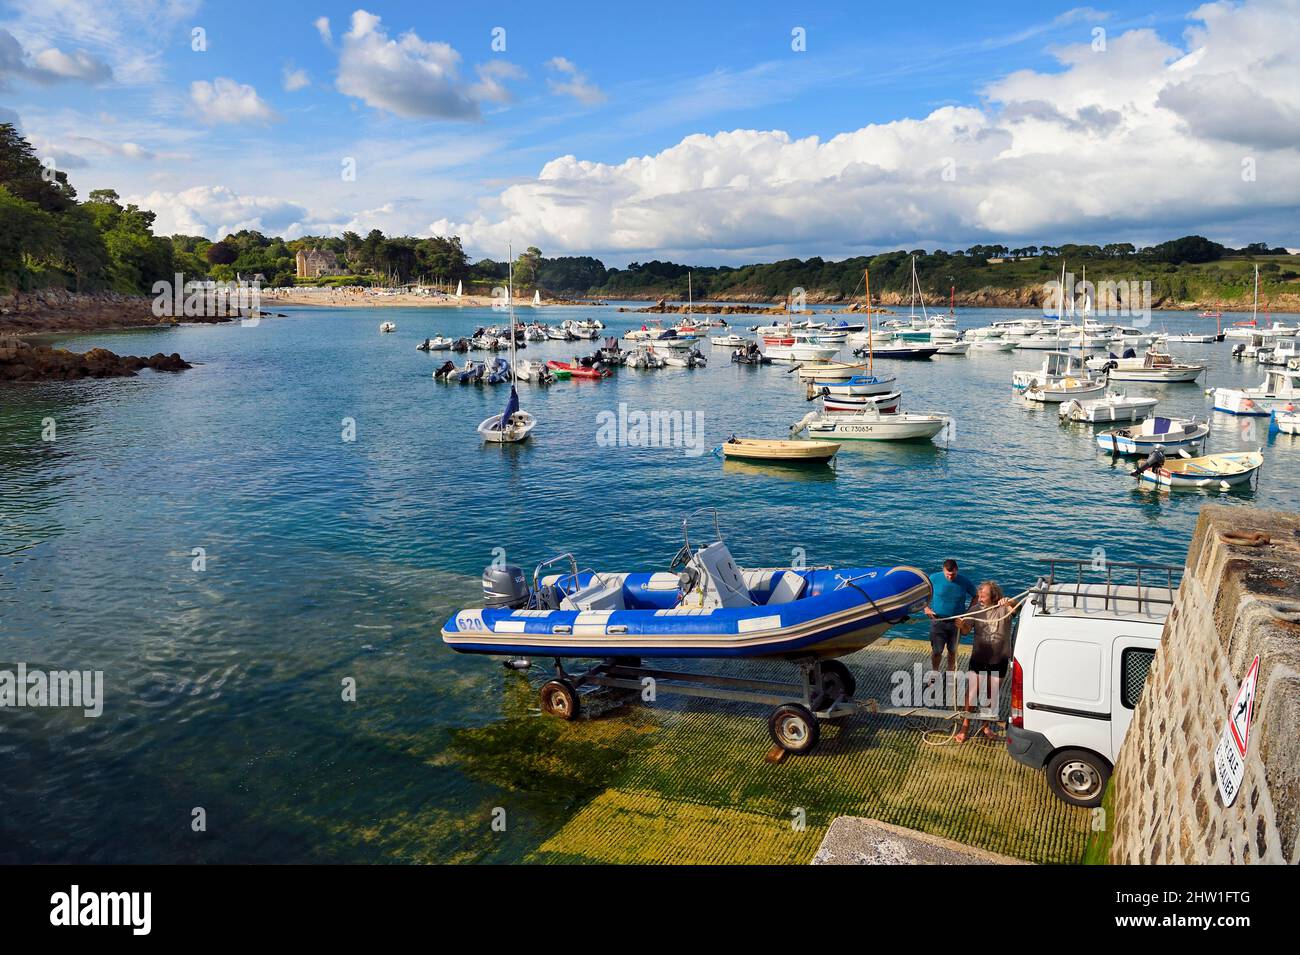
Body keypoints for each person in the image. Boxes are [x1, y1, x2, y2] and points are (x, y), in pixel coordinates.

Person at [955, 581, 1019, 742]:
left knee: (992, 695)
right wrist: (962, 625)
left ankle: (986, 726)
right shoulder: (975, 609)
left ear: (994, 596)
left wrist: (1010, 601)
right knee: (972, 693)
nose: (980, 598)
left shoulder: (1004, 608)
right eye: (980, 594)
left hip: (1000, 659)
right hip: (979, 657)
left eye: (984, 595)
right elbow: (965, 631)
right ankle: (965, 725)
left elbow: (1017, 609)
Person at [924, 559, 977, 682]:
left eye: (953, 574)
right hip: (938, 621)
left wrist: (968, 613)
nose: (950, 577)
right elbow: (922, 593)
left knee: (952, 650)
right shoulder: (934, 578)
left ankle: (950, 673)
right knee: (937, 651)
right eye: (947, 574)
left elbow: (976, 595)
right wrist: (926, 608)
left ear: (956, 570)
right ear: (943, 570)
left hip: (956, 622)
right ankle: (935, 672)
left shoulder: (964, 581)